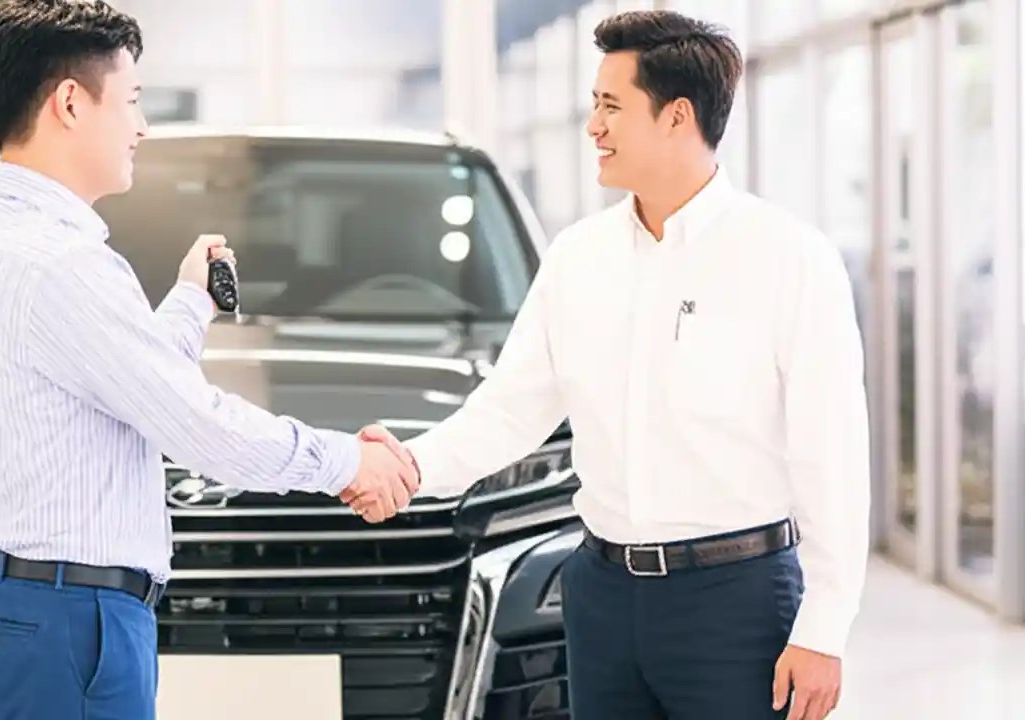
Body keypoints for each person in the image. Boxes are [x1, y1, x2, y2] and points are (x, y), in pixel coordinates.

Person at [356, 9, 869, 720]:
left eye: (610, 106)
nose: (592, 127)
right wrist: (411, 468)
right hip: (601, 594)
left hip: (735, 602)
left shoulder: (788, 257)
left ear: (675, 116)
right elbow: (511, 409)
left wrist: (825, 627)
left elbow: (832, 455)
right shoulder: (577, 257)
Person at [0, 2, 417, 718]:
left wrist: (191, 302)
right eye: (130, 100)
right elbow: (197, 426)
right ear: (71, 102)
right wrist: (351, 462)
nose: (141, 125)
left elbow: (117, 385)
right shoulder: (64, 264)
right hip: (68, 626)